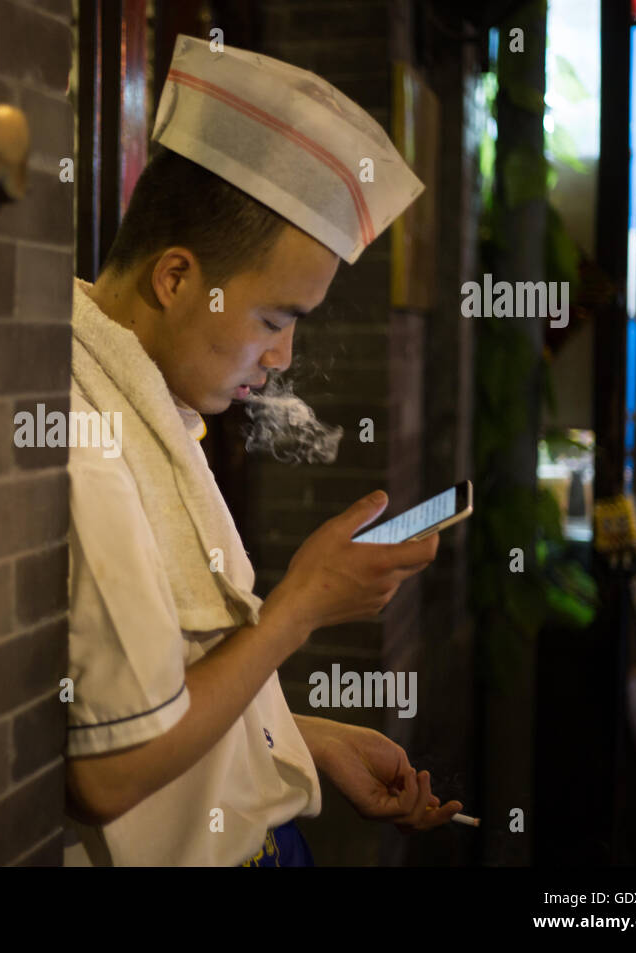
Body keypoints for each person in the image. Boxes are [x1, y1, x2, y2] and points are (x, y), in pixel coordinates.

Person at [62, 36, 463, 866]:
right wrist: (302, 607)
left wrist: (299, 737)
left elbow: (171, 694)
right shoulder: (90, 439)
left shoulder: (147, 405)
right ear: (176, 279)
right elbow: (108, 773)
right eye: (275, 320)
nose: (279, 358)